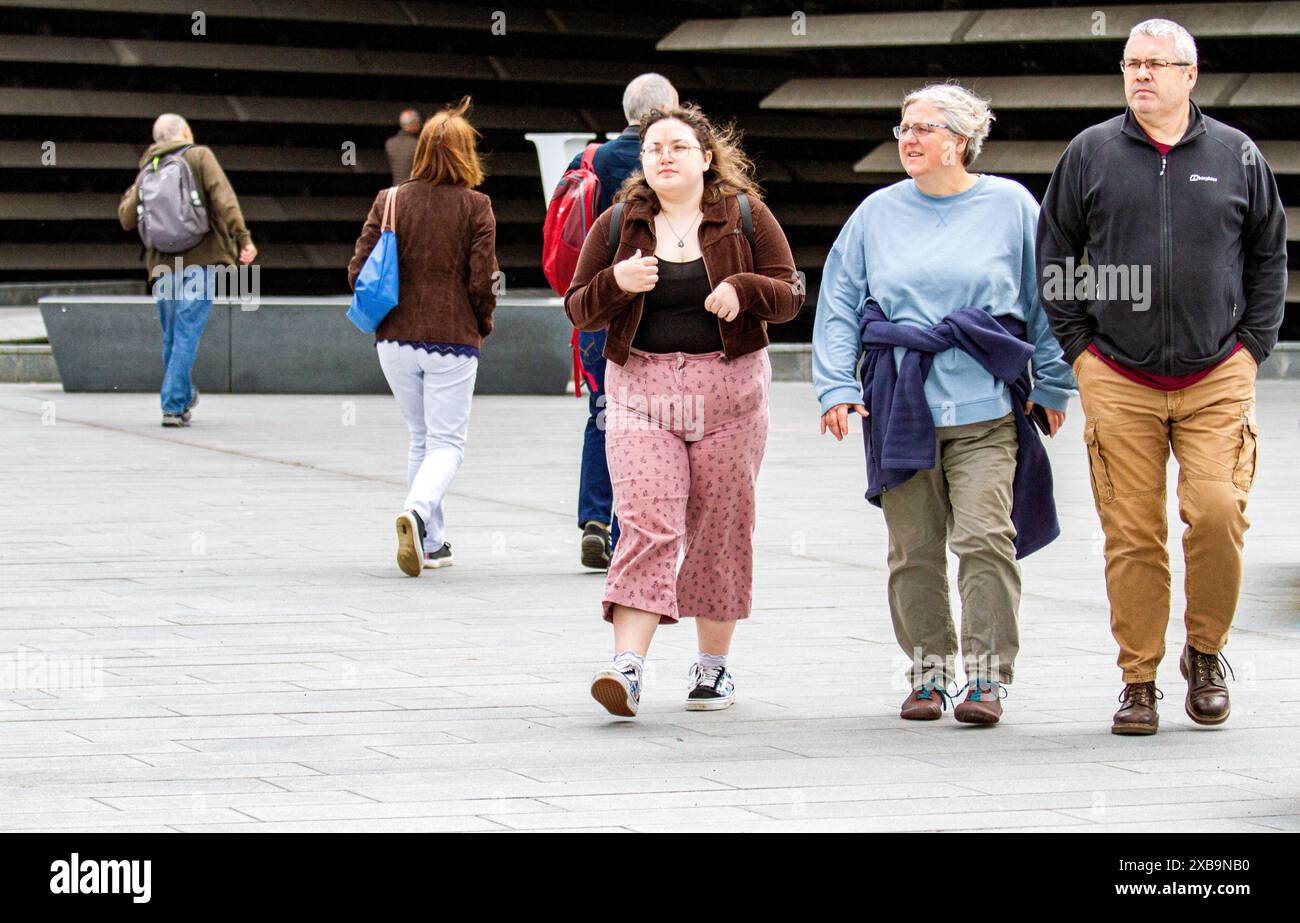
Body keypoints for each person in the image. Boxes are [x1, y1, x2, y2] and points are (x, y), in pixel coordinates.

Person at [1037, 19, 1287, 735]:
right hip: (1118, 374)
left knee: (1217, 512)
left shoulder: (1237, 155)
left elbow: (1269, 256)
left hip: (1217, 374)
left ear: (1190, 74)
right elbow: (1054, 254)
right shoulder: (1090, 153)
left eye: (1156, 63)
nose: (1141, 74)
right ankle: (1138, 680)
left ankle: (1205, 652)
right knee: (1132, 533)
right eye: (1131, 63)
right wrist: (1080, 351)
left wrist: (1252, 347)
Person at [813, 83, 1075, 726]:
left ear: (959, 141)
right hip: (900, 408)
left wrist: (1053, 383)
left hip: (987, 410)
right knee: (914, 550)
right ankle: (928, 675)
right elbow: (839, 303)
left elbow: (1048, 299)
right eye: (903, 127)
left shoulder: (1011, 206)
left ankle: (986, 678)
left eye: (923, 128)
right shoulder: (876, 213)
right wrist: (837, 386)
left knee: (986, 537)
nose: (908, 138)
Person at [566, 103, 803, 718]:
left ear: (705, 157)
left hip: (730, 397)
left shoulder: (745, 216)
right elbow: (578, 307)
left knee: (721, 527)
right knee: (646, 522)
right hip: (641, 393)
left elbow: (789, 294)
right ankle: (627, 667)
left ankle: (712, 666)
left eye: (677, 147)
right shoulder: (619, 223)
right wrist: (617, 282)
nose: (664, 157)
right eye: (653, 149)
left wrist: (744, 289)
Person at [348, 98, 498, 577]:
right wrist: (482, 324)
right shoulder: (476, 206)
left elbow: (357, 269)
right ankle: (415, 512)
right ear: (465, 153)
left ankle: (431, 542)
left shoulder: (389, 200)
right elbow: (483, 281)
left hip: (393, 338)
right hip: (452, 338)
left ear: (421, 149)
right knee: (448, 443)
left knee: (421, 437)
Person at [566, 74, 679, 570]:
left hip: (599, 309)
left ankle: (595, 519)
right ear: (669, 109)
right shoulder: (678, 163)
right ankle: (629, 530)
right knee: (653, 422)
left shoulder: (590, 160)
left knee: (603, 411)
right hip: (659, 314)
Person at [117, 113, 256, 427]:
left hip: (162, 268)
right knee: (187, 333)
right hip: (199, 262)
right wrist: (243, 237)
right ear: (184, 132)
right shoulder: (199, 155)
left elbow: (126, 218)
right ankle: (173, 403)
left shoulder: (149, 165)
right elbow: (224, 198)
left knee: (173, 336)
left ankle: (180, 398)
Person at [385, 109, 421, 185]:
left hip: (396, 187)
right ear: (414, 124)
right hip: (412, 187)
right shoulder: (417, 144)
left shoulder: (390, 143)